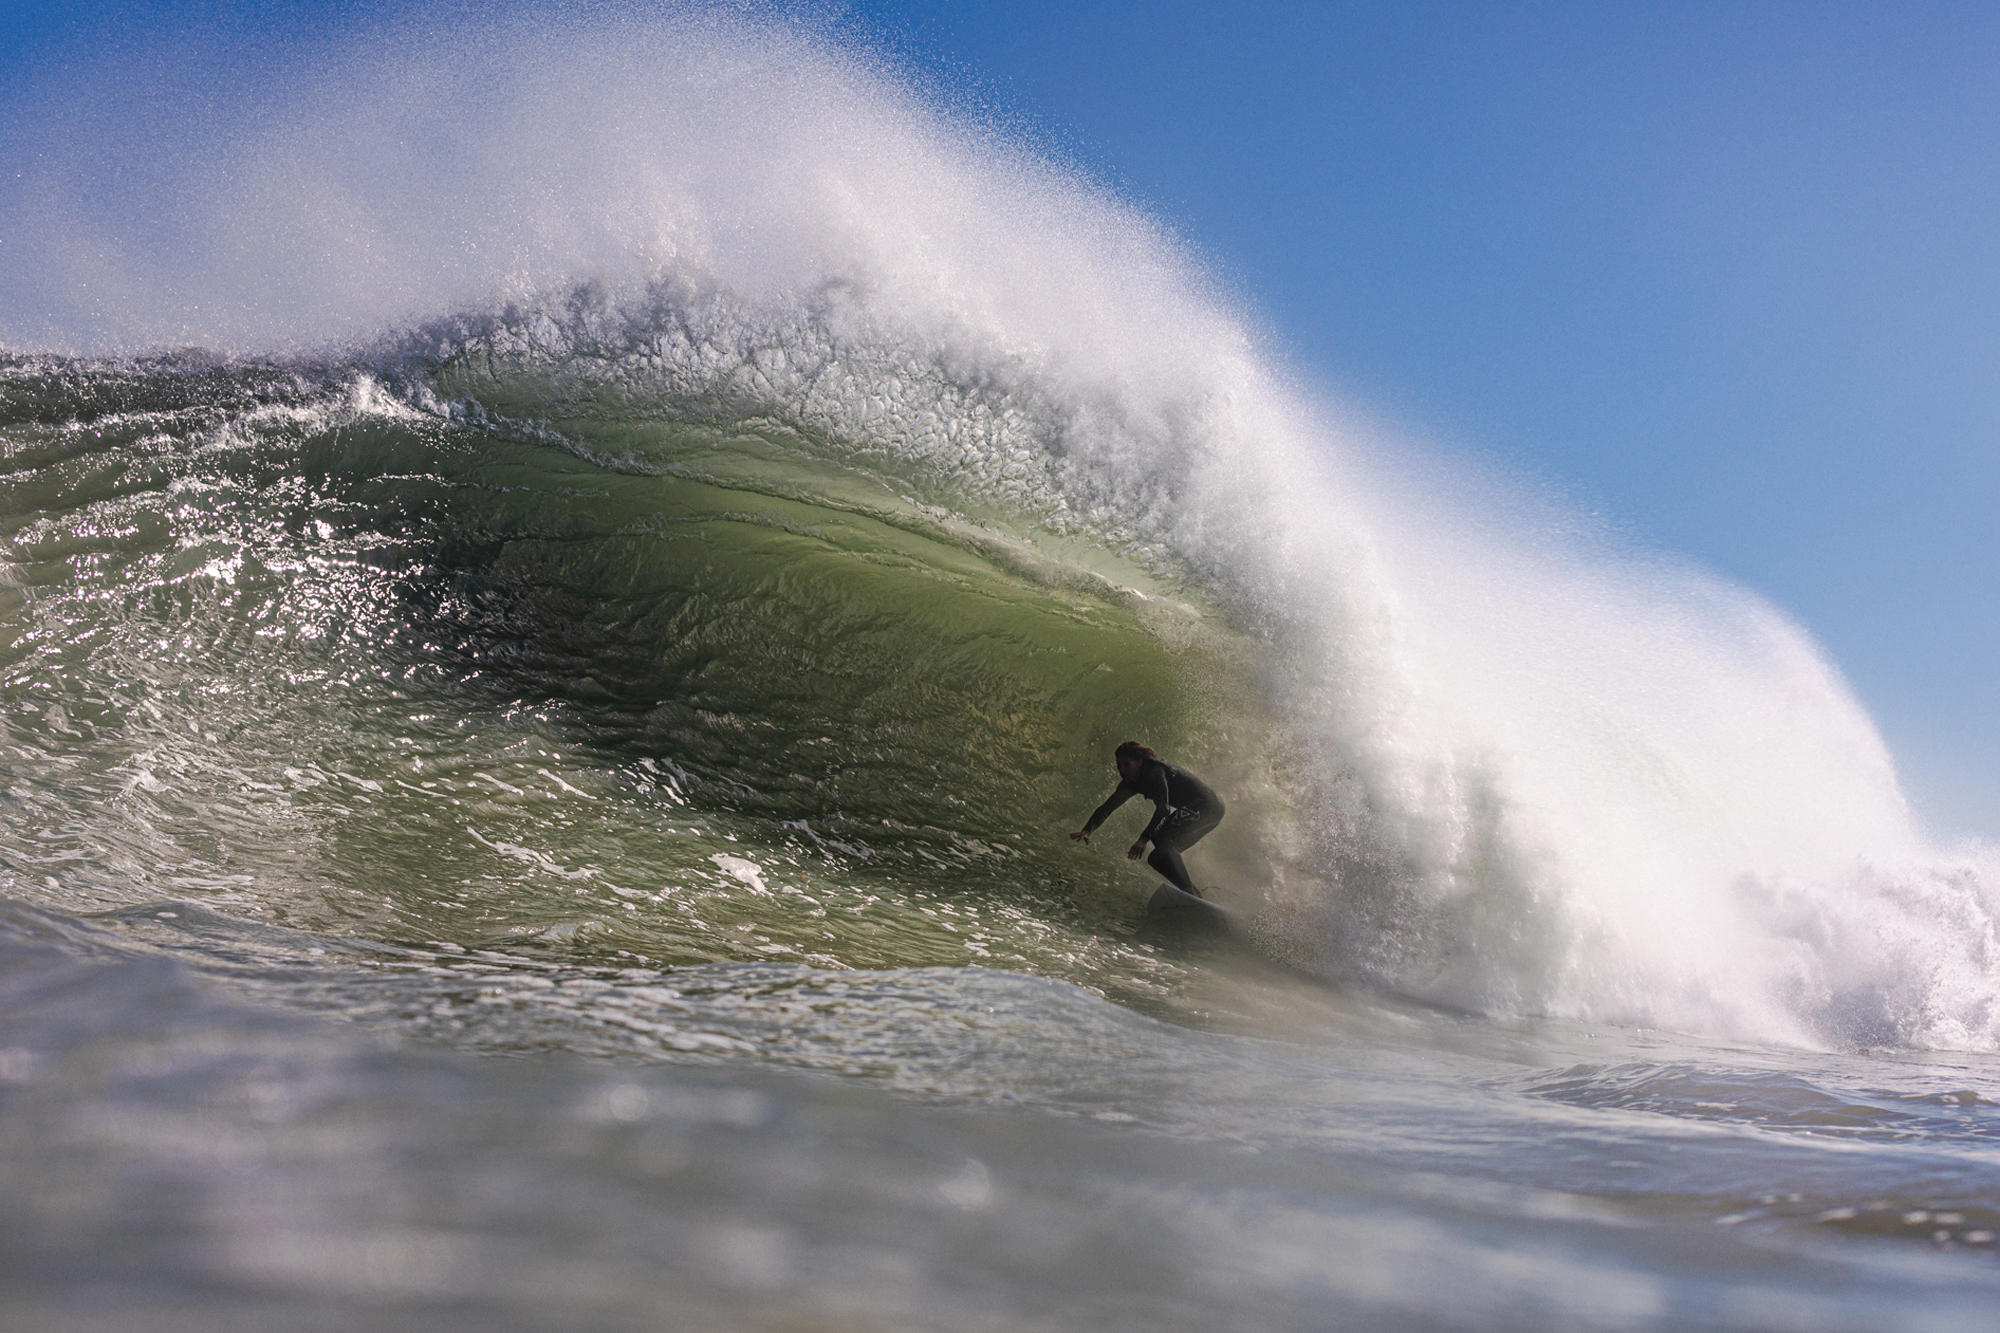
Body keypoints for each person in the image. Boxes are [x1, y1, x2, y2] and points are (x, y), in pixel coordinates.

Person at [1070, 741, 1224, 899]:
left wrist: (1143, 839)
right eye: (1119, 766)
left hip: (1208, 806)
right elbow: (1106, 809)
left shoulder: (1155, 772)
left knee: (1162, 844)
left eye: (1126, 764)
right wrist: (1088, 830)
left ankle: (1190, 892)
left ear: (1139, 762)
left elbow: (1163, 809)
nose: (1122, 770)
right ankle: (1193, 894)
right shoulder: (1130, 783)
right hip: (1203, 810)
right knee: (1157, 857)